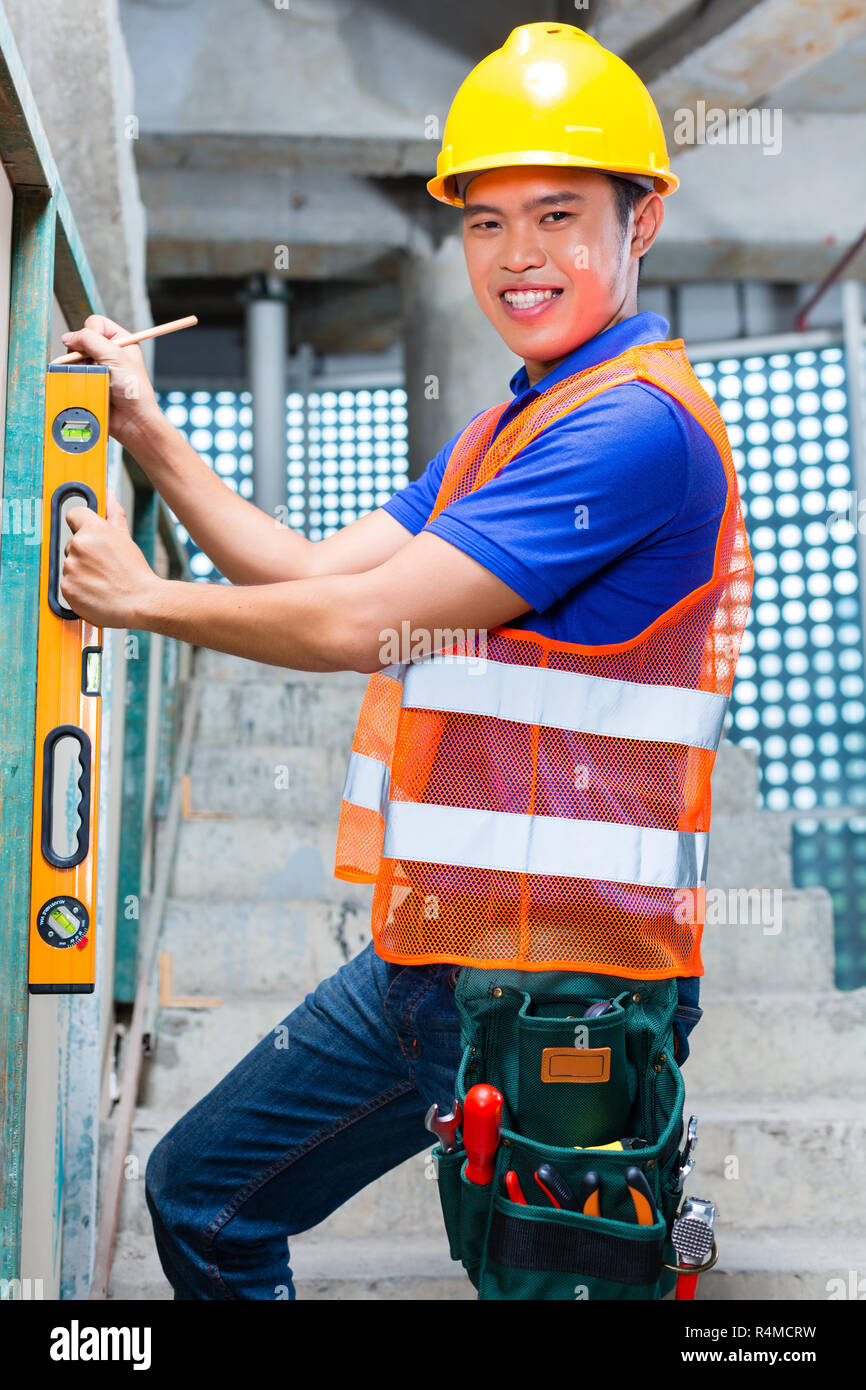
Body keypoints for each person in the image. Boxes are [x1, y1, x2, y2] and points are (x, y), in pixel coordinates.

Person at [59, 24, 745, 1299]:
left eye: (556, 213)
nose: (517, 255)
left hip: (563, 989)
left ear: (641, 218)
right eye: (484, 223)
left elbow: (354, 630)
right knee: (203, 1193)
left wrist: (141, 600)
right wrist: (148, 432)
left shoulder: (631, 432)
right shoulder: (508, 423)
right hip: (437, 957)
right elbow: (314, 569)